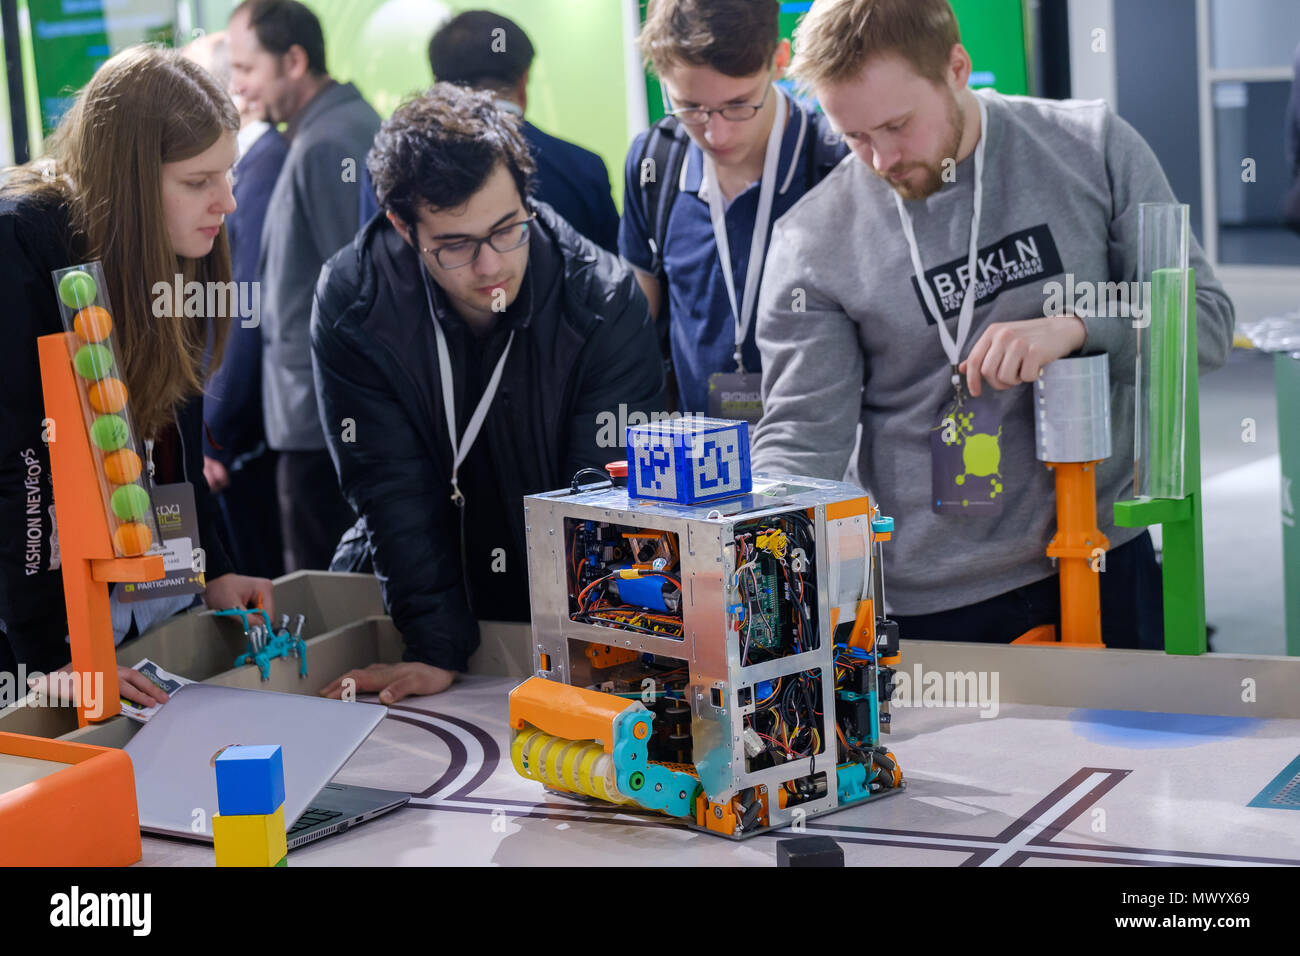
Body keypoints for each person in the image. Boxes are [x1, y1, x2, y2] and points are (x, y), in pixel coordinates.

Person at [751, 0, 1236, 649]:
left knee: (1134, 752)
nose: (881, 159)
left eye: (897, 125)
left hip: (1104, 556)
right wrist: (757, 568)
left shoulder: (1088, 147)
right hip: (939, 598)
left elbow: (1203, 323)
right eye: (854, 137)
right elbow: (802, 436)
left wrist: (1077, 328)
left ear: (957, 67)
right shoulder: (814, 240)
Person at [312, 84, 664, 703]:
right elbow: (388, 484)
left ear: (527, 196)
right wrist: (433, 645)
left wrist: (598, 655)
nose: (489, 265)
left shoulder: (602, 302)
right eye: (455, 245)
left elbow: (605, 506)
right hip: (416, 595)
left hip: (564, 618)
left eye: (507, 229)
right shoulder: (355, 303)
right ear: (401, 225)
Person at [0, 45, 273, 706]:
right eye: (197, 181)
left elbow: (173, 427)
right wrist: (48, 659)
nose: (228, 201)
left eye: (228, 174)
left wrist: (216, 568)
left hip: (144, 623)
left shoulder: (174, 251)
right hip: (41, 646)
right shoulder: (21, 247)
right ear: (128, 180)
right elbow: (19, 471)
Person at [619, 0, 848, 417]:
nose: (715, 132)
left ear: (779, 61)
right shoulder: (654, 163)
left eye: (739, 104)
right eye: (689, 106)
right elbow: (637, 325)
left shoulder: (835, 163)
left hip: (828, 458)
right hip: (703, 458)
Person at [227, 0, 380, 571]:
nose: (237, 86)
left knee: (325, 597)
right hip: (315, 420)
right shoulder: (323, 131)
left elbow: (358, 294)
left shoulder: (326, 143)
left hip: (322, 428)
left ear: (293, 60)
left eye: (246, 69)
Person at [358, 10, 621, 254]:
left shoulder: (389, 170)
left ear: (438, 86)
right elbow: (612, 284)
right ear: (524, 80)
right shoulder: (584, 169)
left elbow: (377, 274)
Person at [183, 31, 288, 582]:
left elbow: (242, 307)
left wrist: (214, 436)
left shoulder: (263, 166)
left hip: (244, 432)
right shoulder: (257, 162)